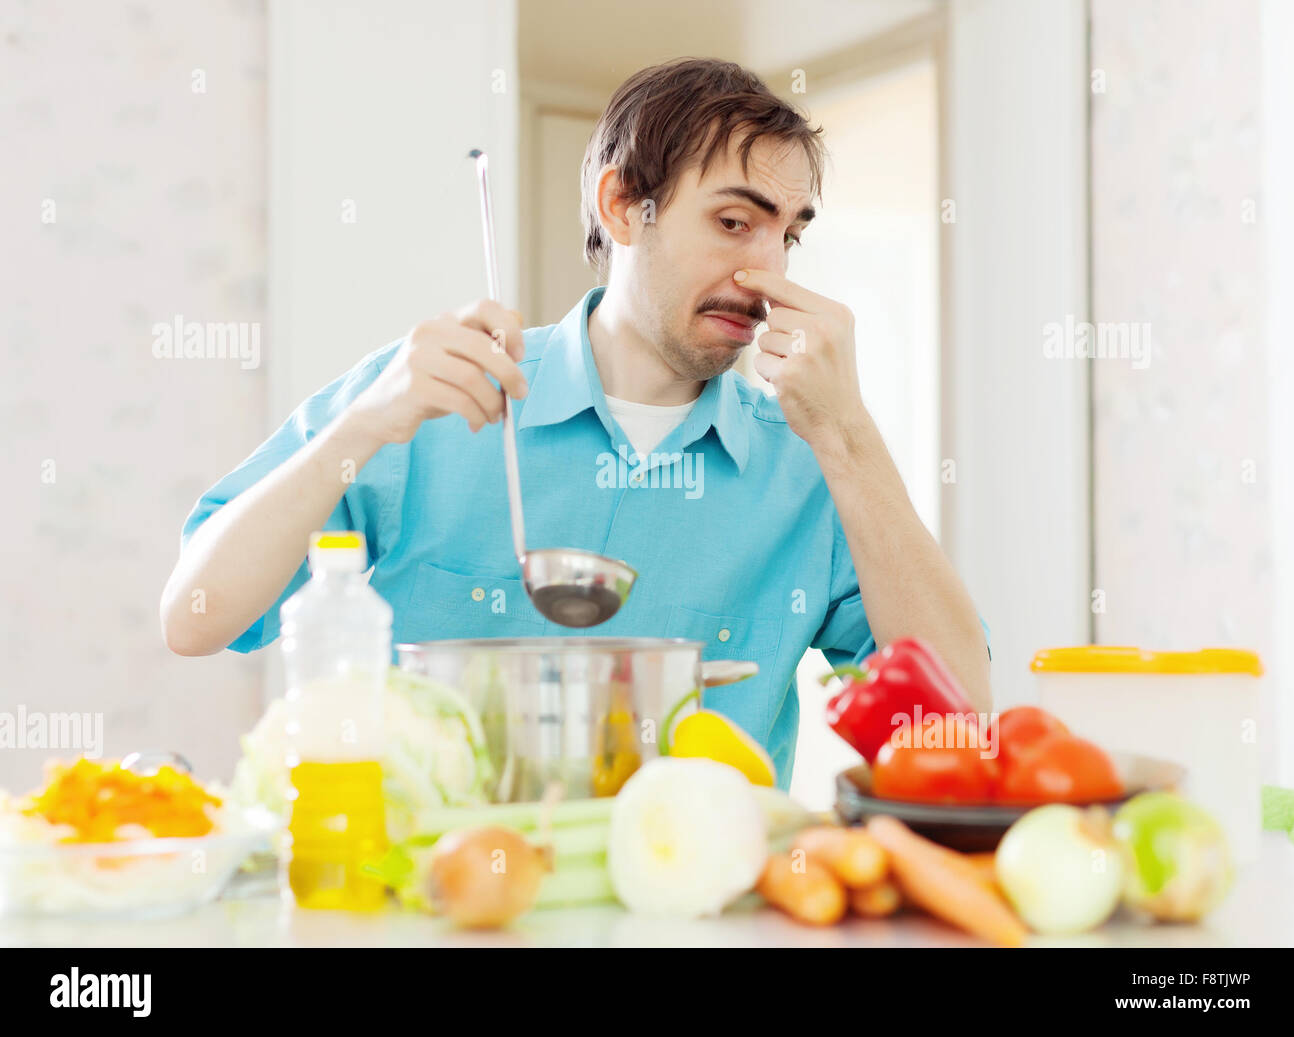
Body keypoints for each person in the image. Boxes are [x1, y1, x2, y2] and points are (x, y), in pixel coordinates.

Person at [160, 57, 991, 788]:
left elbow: (961, 723)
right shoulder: (427, 399)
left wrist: (849, 437)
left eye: (789, 236)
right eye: (735, 223)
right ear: (625, 205)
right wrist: (358, 431)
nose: (764, 272)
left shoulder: (813, 466)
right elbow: (196, 618)